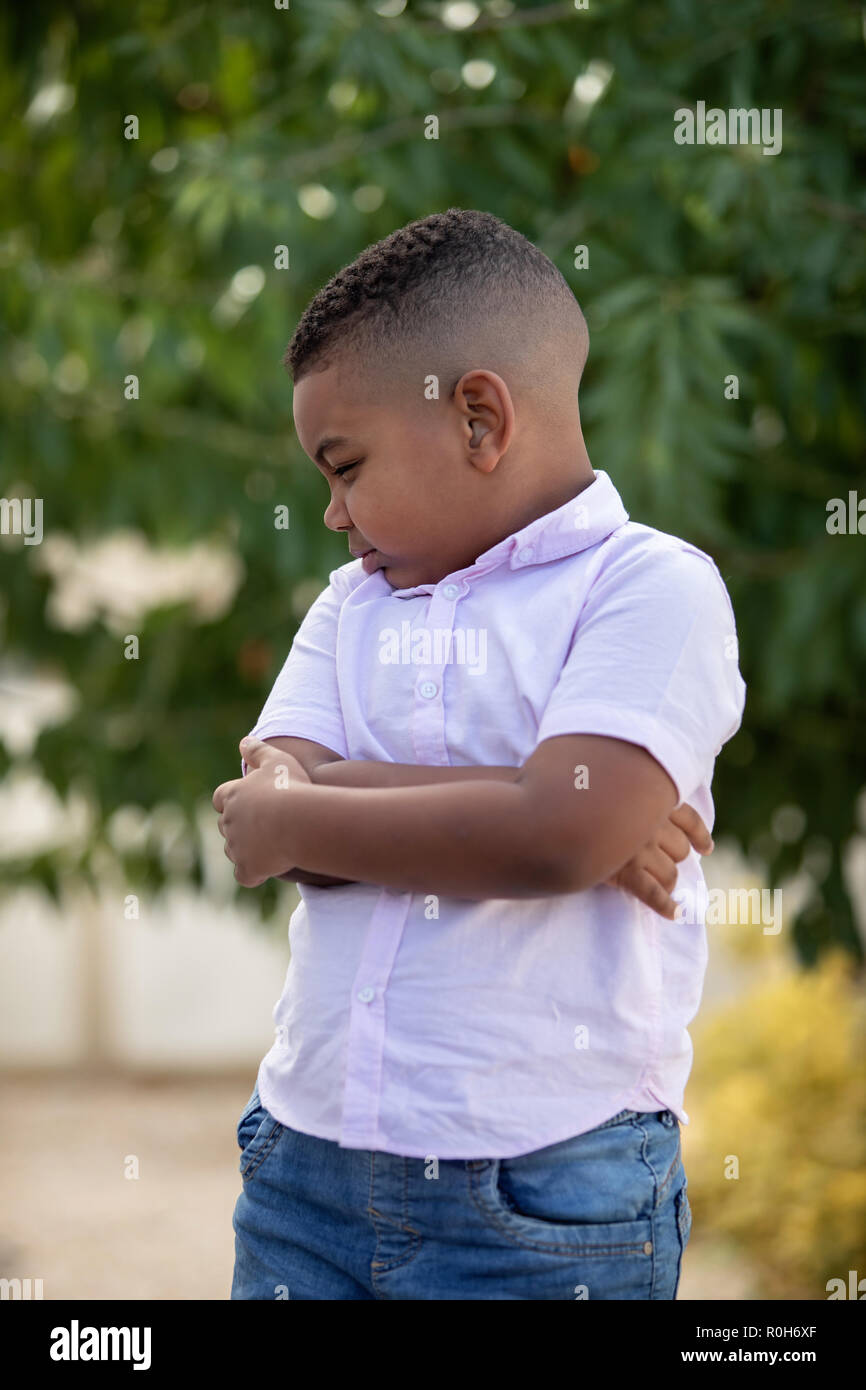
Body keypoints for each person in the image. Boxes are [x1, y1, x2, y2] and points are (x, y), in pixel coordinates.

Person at [212, 208, 746, 1300]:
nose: (330, 514)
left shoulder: (647, 589)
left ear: (477, 418)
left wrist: (546, 827)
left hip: (542, 1196)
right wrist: (531, 810)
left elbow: (544, 839)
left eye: (344, 466)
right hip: (302, 1173)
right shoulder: (348, 603)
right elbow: (268, 818)